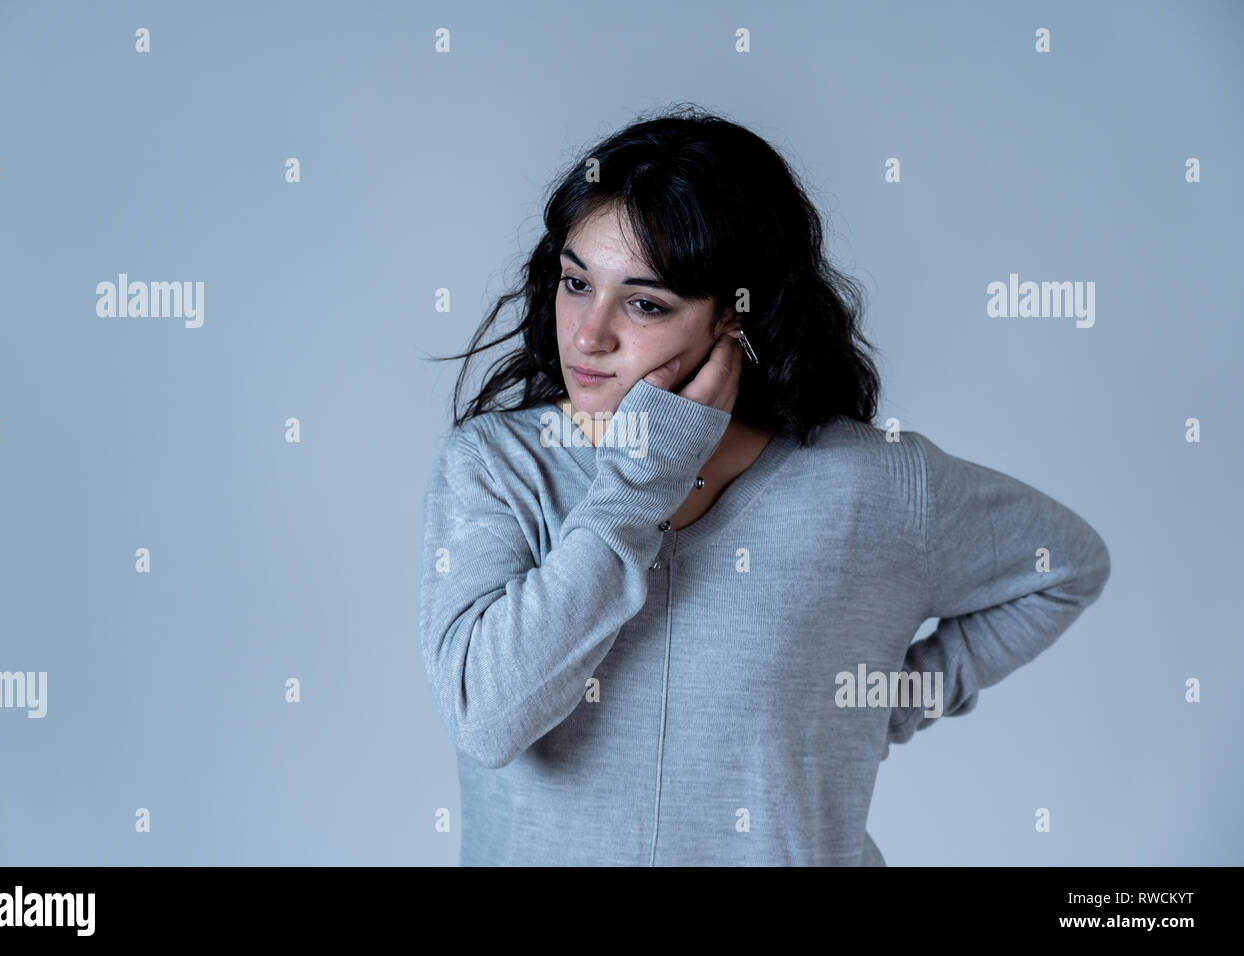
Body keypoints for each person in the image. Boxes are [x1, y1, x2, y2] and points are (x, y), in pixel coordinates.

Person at [418, 103, 1111, 865]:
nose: (588, 334)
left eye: (644, 303)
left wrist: (876, 703)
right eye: (576, 283)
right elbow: (488, 718)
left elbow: (1065, 566)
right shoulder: (496, 466)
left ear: (734, 320)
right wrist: (644, 479)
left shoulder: (868, 484)